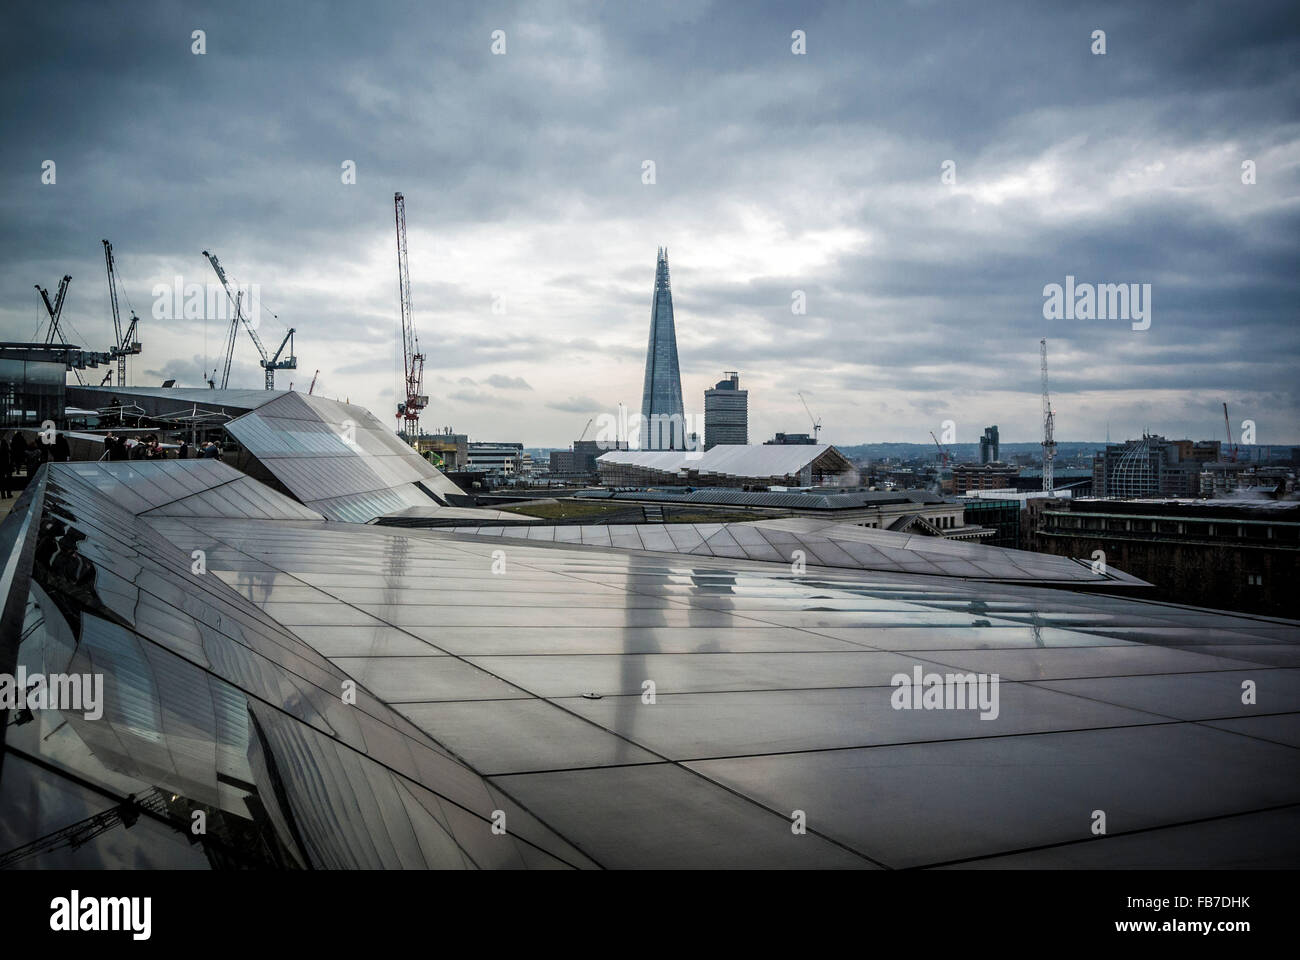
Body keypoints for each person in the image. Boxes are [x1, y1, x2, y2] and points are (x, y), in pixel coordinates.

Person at [0, 435, 11, 499]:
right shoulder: (7, 450)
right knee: (8, 481)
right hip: (7, 466)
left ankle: (3, 495)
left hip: (1, 467)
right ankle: (8, 494)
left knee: (2, 481)